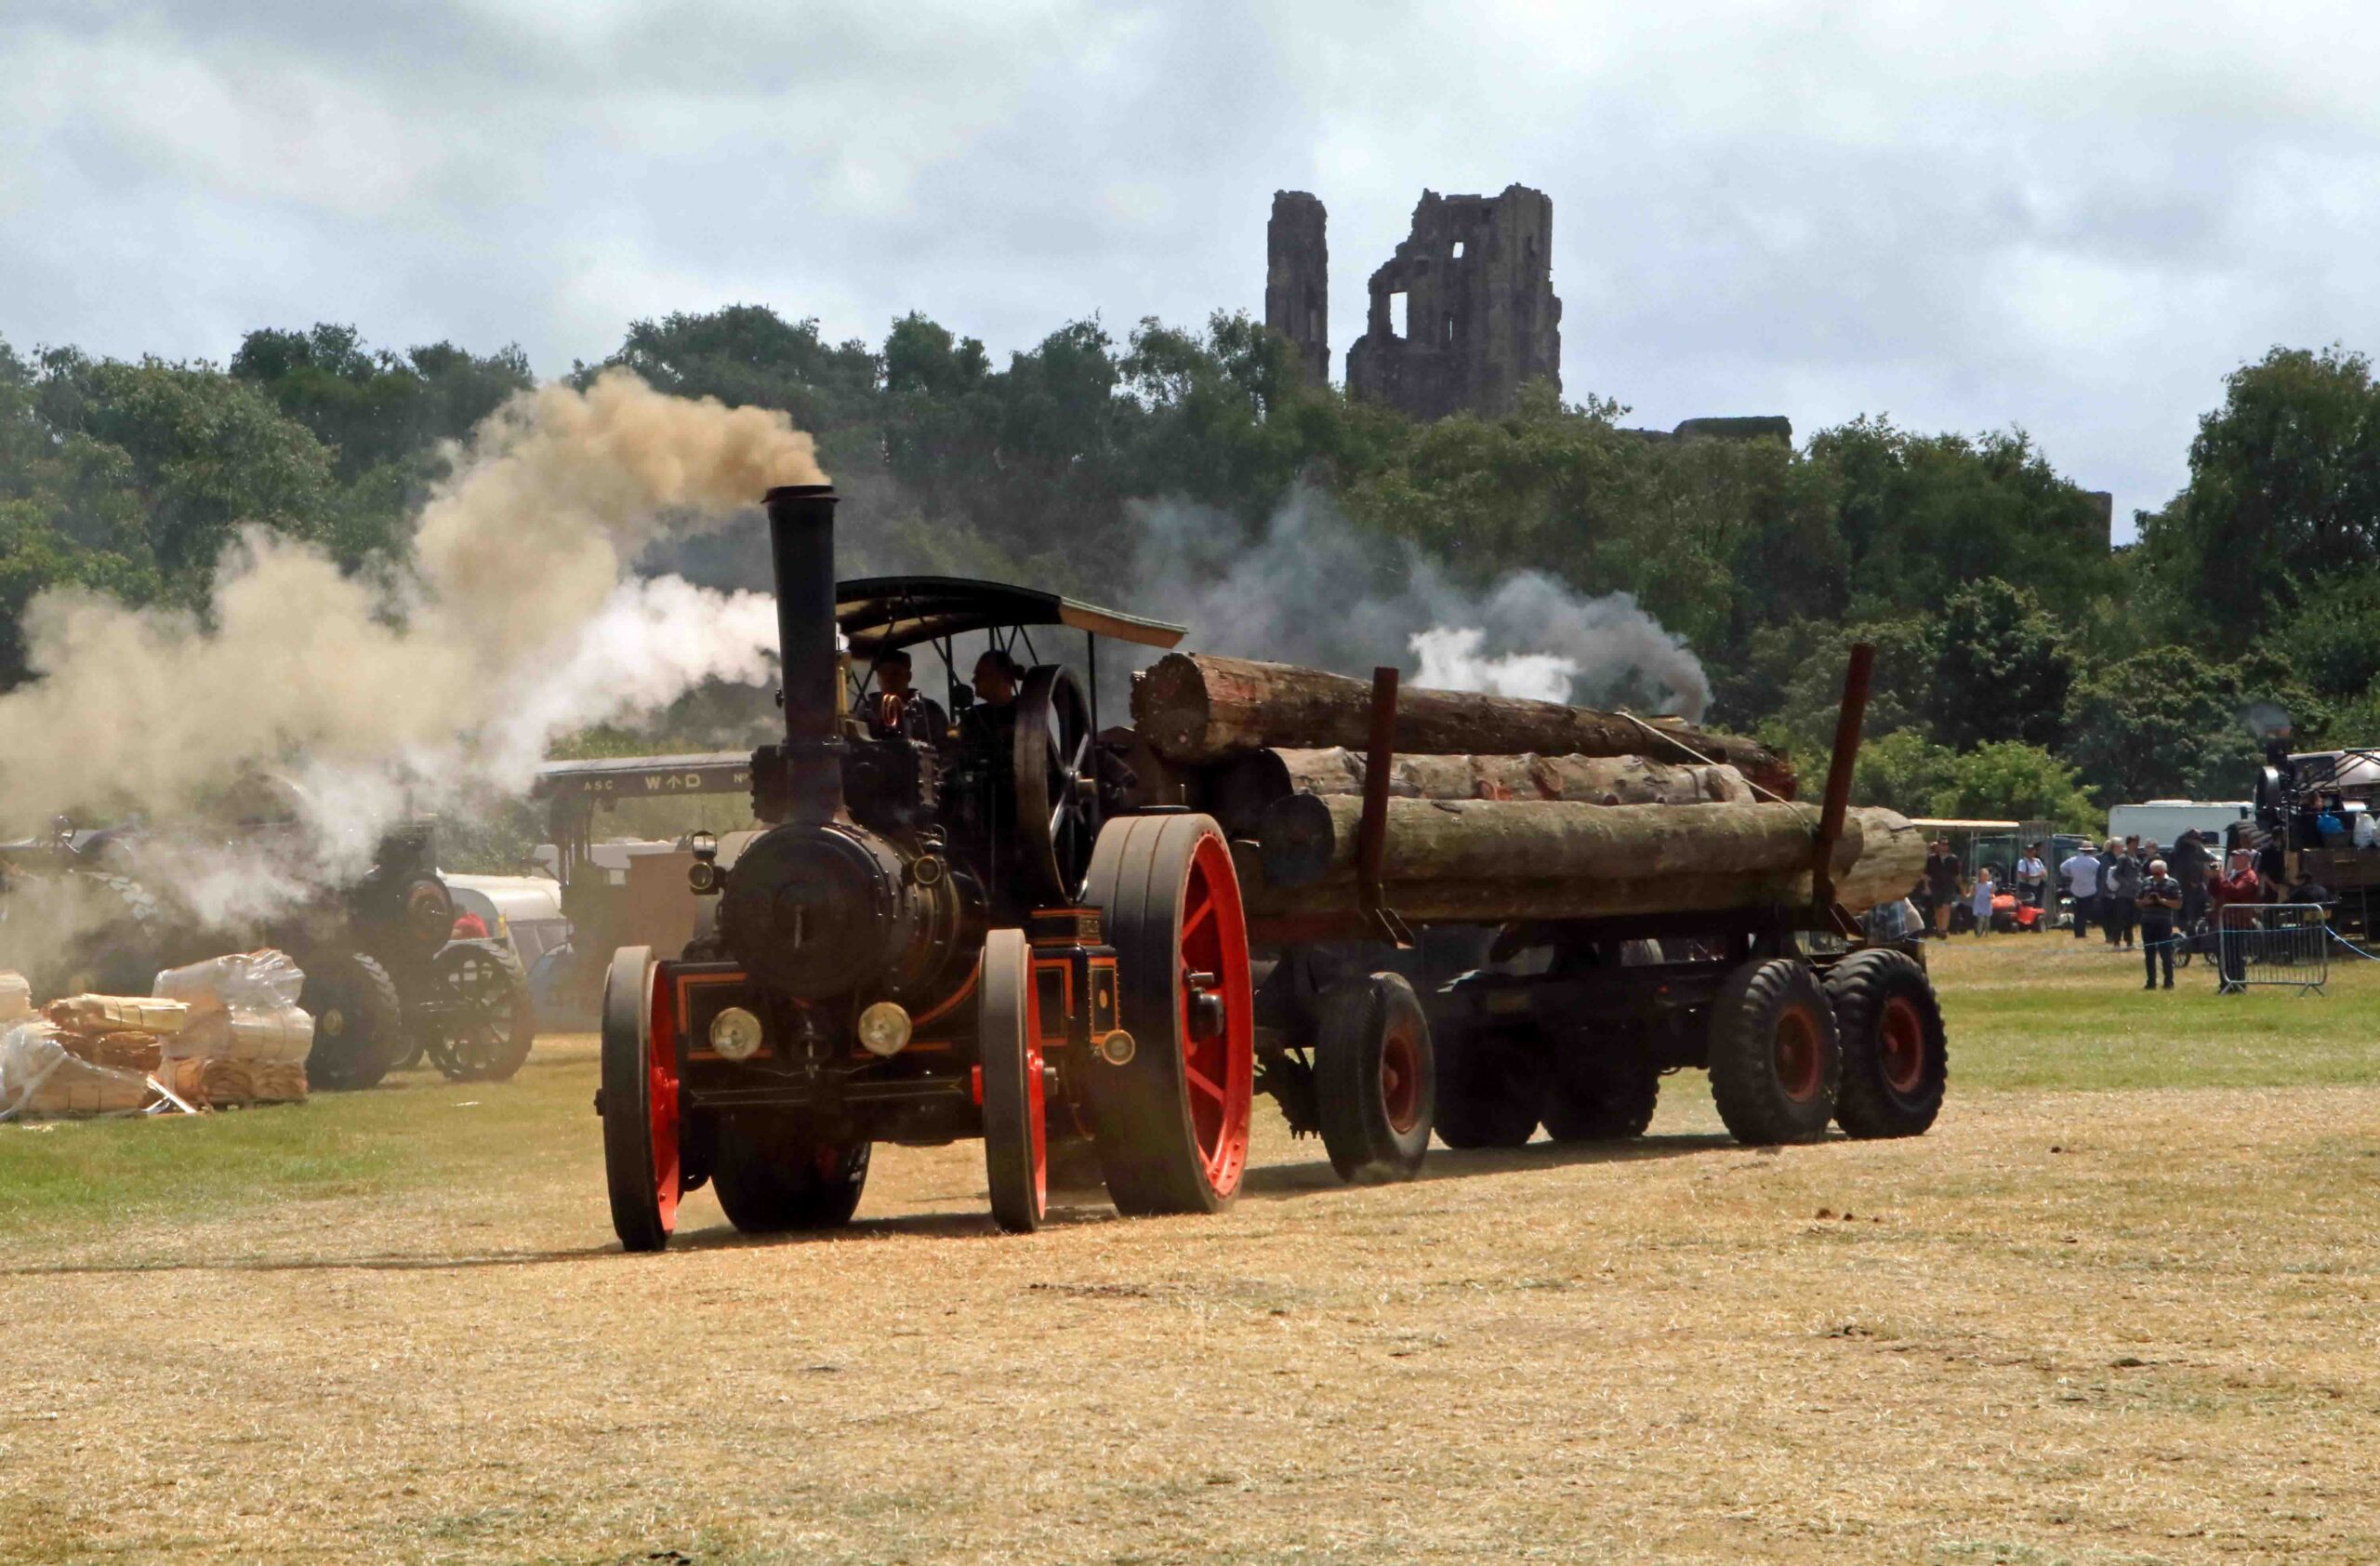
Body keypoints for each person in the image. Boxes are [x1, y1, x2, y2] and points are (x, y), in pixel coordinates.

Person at [2208, 847, 2265, 992]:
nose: (2234, 859)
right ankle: (2226, 984)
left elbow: (2235, 892)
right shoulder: (2233, 875)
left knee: (2234, 954)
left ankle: (2238, 984)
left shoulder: (2249, 876)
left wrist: (2221, 875)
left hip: (2237, 920)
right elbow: (2216, 892)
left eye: (2238, 857)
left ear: (2246, 859)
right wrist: (2214, 878)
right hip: (2224, 919)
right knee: (2223, 954)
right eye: (2233, 857)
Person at [863, 649, 948, 745]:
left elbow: (944, 745)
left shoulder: (930, 710)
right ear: (878, 679)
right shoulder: (867, 710)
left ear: (908, 676)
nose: (888, 679)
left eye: (895, 673)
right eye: (883, 673)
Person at [2137, 858, 2183, 990]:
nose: (2155, 876)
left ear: (2164, 871)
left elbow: (2178, 904)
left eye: (2158, 873)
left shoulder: (2172, 883)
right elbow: (2137, 901)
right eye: (2153, 873)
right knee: (2149, 953)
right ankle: (2151, 982)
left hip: (2163, 922)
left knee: (2165, 953)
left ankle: (2169, 982)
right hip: (2147, 921)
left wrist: (2162, 901)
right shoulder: (2146, 882)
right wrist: (2145, 902)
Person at [2100, 839, 2141, 951]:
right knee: (2120, 919)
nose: (2135, 847)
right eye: (2133, 844)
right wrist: (2126, 883)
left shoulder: (2135, 858)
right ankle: (2116, 943)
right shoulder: (2123, 858)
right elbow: (2117, 874)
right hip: (2122, 894)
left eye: (2136, 844)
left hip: (2133, 894)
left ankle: (2129, 942)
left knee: (2130, 920)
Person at [2059, 842, 2102, 939]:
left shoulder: (2072, 860)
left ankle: (2078, 932)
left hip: (2076, 888)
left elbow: (2062, 868)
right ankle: (2081, 932)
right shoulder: (2094, 862)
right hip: (2089, 889)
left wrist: (2069, 875)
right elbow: (2099, 872)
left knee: (2078, 912)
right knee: (2085, 912)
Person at [2173, 829, 2213, 930]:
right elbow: (2189, 867)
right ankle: (2187, 931)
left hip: (2195, 886)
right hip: (2186, 887)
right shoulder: (2183, 851)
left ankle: (2193, 927)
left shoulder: (2197, 849)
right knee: (2187, 913)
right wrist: (2193, 880)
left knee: (2197, 910)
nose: (2198, 842)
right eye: (2196, 839)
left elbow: (2211, 859)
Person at [1924, 840, 1961, 938]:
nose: (1944, 847)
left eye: (1946, 845)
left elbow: (1957, 875)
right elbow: (1927, 874)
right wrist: (1926, 886)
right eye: (1942, 844)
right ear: (1939, 846)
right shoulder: (1931, 859)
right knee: (1938, 909)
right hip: (1936, 886)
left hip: (1949, 886)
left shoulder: (1953, 859)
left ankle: (1944, 929)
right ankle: (1939, 929)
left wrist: (1961, 888)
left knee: (1946, 907)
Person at [2015, 843, 2049, 913]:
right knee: (2028, 905)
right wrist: (2037, 876)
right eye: (2028, 851)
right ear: (2025, 852)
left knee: (2038, 905)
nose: (2030, 852)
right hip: (2027, 887)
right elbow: (2022, 875)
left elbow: (2043, 870)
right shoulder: (2022, 862)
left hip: (2038, 886)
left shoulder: (2038, 861)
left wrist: (2044, 873)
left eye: (2032, 850)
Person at [1969, 866, 1997, 936]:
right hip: (1979, 903)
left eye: (1986, 876)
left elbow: (1992, 893)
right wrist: (1972, 889)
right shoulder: (1977, 884)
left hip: (1987, 903)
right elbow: (1973, 892)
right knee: (1980, 920)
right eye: (1983, 875)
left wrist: (1992, 896)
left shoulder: (1990, 884)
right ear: (1980, 876)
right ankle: (1978, 933)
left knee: (1987, 921)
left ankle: (1986, 933)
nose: (1985, 877)